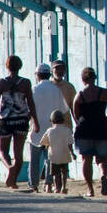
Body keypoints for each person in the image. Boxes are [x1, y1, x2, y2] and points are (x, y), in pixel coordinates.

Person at [0, 55, 37, 190]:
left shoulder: (2, 82)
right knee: (19, 153)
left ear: (7, 66)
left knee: (3, 150)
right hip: (22, 120)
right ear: (20, 66)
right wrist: (36, 121)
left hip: (5, 120)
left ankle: (9, 167)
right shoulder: (26, 83)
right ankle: (13, 181)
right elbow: (31, 103)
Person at [73, 67, 107, 197]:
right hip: (101, 129)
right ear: (95, 78)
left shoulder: (79, 96)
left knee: (86, 159)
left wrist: (81, 124)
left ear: (83, 79)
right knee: (103, 159)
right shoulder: (104, 93)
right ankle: (103, 176)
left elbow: (76, 115)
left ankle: (90, 189)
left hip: (85, 130)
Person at [29, 62, 72, 192]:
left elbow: (28, 109)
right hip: (52, 129)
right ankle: (48, 183)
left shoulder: (34, 90)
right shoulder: (56, 90)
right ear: (48, 75)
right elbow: (64, 109)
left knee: (34, 160)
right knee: (50, 159)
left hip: (36, 129)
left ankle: (34, 184)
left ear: (38, 75)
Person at [38, 109, 75, 194]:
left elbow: (42, 142)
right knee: (64, 172)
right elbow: (70, 143)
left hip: (53, 156)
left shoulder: (50, 131)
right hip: (65, 155)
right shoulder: (67, 130)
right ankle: (64, 187)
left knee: (55, 173)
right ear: (63, 120)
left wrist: (47, 146)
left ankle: (57, 188)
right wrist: (72, 153)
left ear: (52, 121)